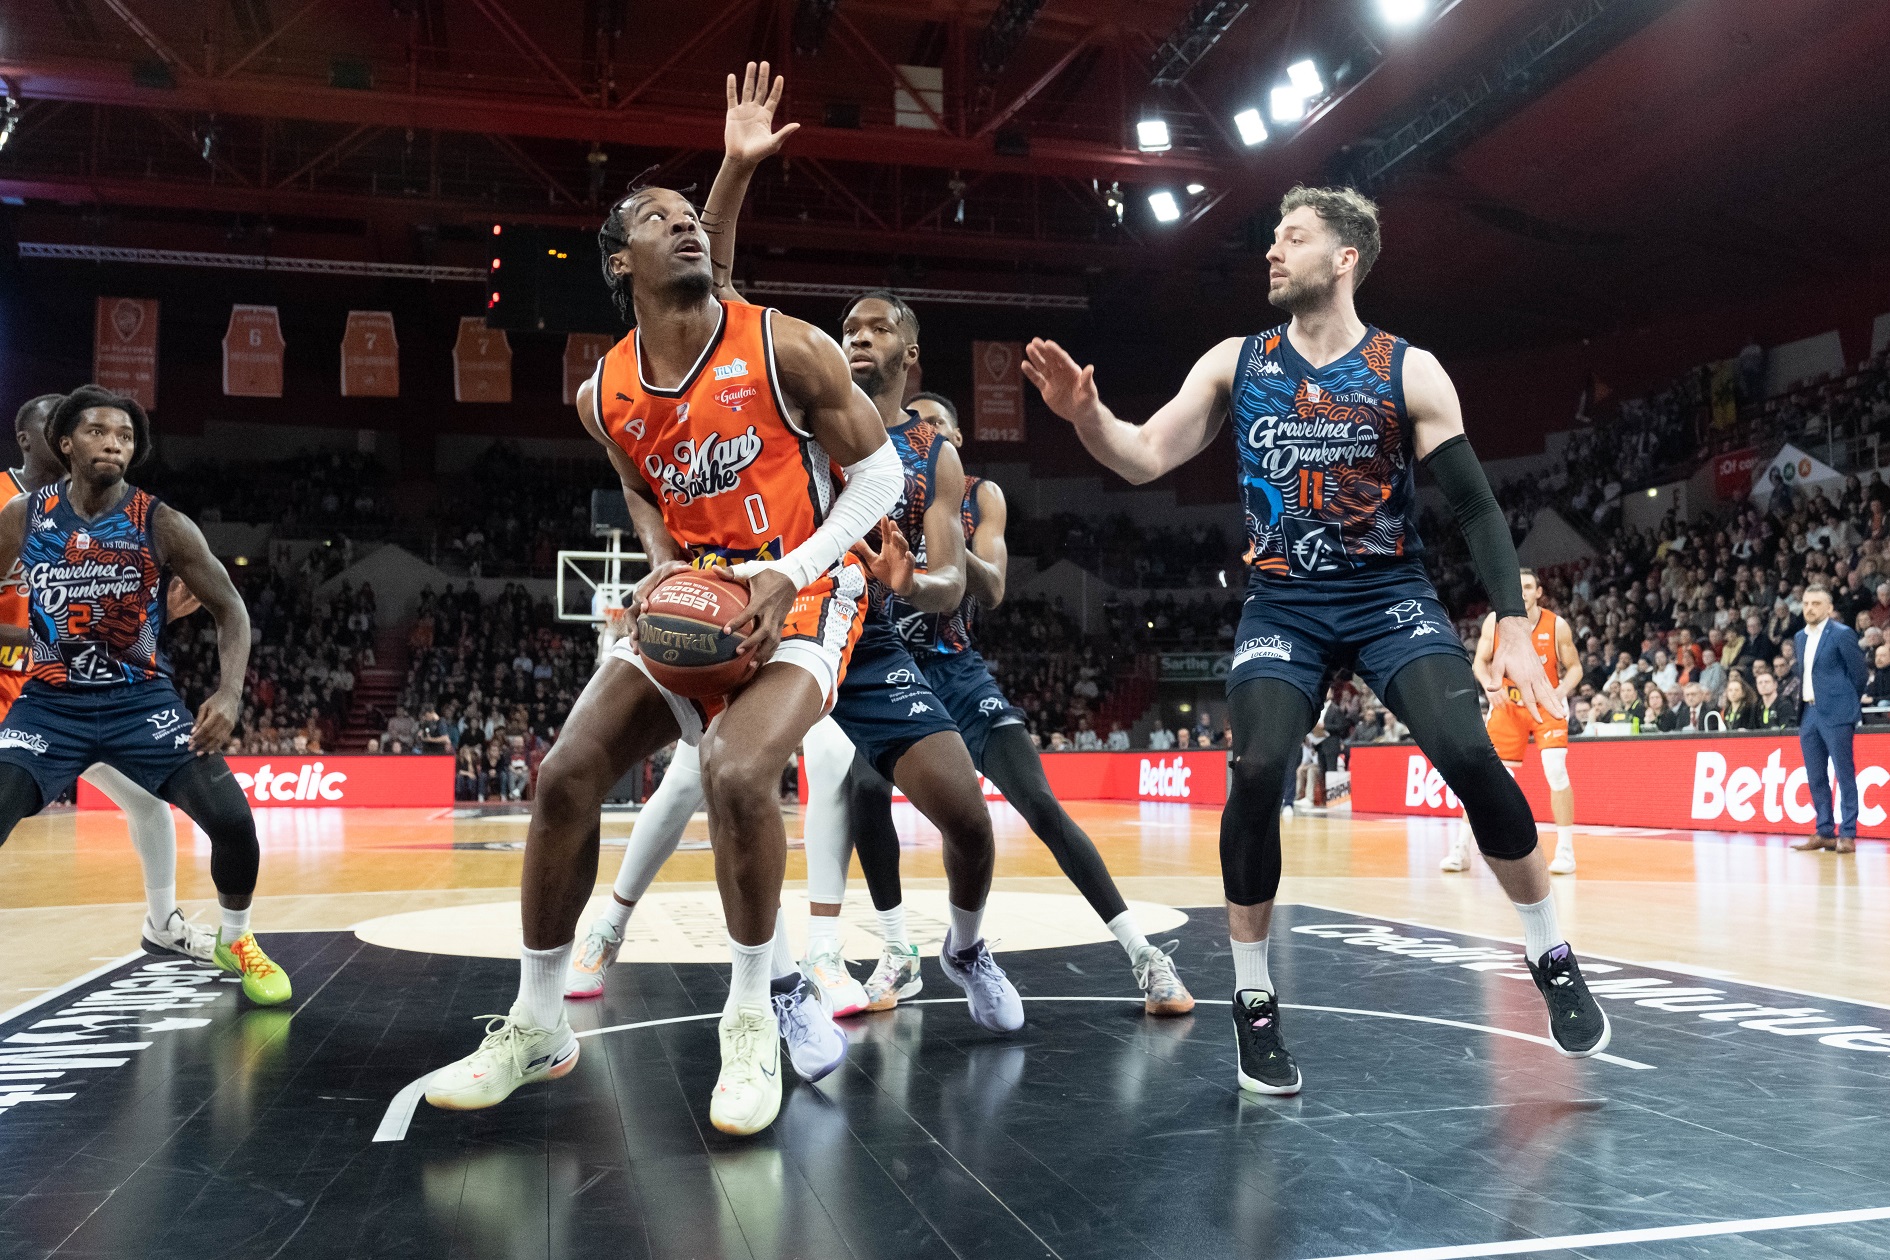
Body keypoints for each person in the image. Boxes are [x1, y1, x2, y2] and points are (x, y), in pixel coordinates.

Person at [1023, 184, 1610, 1095]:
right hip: (1284, 604)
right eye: (1272, 239)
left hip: (1388, 597)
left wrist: (1514, 624)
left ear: (1344, 259)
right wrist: (1083, 418)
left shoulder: (1408, 370)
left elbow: (1477, 508)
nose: (1272, 252)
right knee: (1257, 770)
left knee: (1467, 749)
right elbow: (1141, 455)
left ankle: (1550, 951)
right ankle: (1253, 999)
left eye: (1292, 239)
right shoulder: (1235, 360)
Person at [422, 62, 907, 1137]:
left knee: (737, 772)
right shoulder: (603, 394)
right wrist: (653, 560)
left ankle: (750, 1018)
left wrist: (795, 567)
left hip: (806, 594)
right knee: (564, 775)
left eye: (695, 217)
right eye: (659, 218)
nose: (686, 228)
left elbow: (881, 479)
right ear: (617, 262)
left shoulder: (784, 342)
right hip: (695, 601)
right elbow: (643, 487)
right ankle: (538, 1020)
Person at [559, 69, 1019, 1052]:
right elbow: (705, 280)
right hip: (768, 608)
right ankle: (648, 936)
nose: (855, 341)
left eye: (873, 332)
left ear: (904, 360)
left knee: (962, 821)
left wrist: (923, 580)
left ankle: (964, 950)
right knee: (714, 777)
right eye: (848, 328)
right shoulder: (739, 352)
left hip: (853, 615)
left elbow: (944, 568)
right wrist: (730, 170)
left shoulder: (871, 414)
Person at [852, 383, 1192, 1015]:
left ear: (951, 442)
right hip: (888, 669)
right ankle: (898, 954)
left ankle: (1145, 956)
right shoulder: (864, 487)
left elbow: (995, 586)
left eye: (929, 431)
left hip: (956, 670)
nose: (915, 440)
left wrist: (946, 534)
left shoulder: (980, 496)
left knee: (1038, 801)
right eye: (908, 429)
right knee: (862, 791)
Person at [0, 385, 290, 1005]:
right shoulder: (24, 516)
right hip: (50, 706)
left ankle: (235, 939)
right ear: (66, 442)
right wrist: (32, 636)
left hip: (142, 706)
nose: (114, 443)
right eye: (100, 431)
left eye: (126, 436)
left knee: (234, 824)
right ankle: (165, 924)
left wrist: (230, 694)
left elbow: (231, 609)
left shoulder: (161, 522)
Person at [5, 394, 215, 962]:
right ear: (38, 440)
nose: (104, 442)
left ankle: (162, 922)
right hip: (24, 689)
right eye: (80, 429)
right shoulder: (13, 508)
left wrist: (152, 616)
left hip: (66, 693)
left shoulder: (107, 514)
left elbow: (93, 613)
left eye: (113, 433)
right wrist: (45, 640)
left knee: (148, 803)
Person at [1448, 568, 1582, 876]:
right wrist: (1488, 685)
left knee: (1556, 770)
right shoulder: (1494, 622)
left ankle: (1565, 851)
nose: (1521, 591)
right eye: (1516, 586)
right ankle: (1461, 849)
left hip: (1546, 702)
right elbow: (1479, 662)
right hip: (1508, 703)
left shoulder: (1556, 625)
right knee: (1486, 777)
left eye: (1528, 586)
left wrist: (1561, 690)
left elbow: (1574, 667)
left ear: (1538, 592)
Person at [1791, 585, 1866, 854]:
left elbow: (1859, 674)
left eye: (1816, 604)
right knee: (1815, 776)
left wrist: (1846, 703)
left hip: (1837, 712)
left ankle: (1847, 833)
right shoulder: (1800, 637)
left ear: (1829, 608)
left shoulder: (1842, 634)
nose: (1809, 608)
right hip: (1809, 713)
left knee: (1844, 773)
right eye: (1806, 603)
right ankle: (1824, 831)